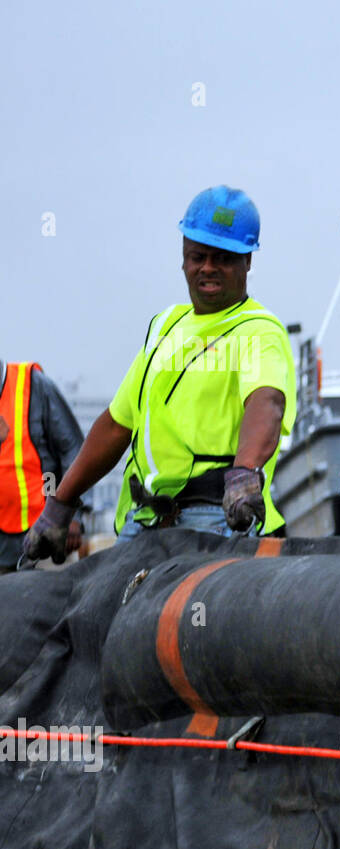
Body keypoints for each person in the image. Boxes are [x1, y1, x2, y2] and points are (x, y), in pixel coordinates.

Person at [23, 185, 296, 562]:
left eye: (224, 258)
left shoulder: (258, 331)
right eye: (198, 256)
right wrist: (60, 505)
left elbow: (265, 403)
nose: (208, 268)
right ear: (183, 256)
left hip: (216, 518)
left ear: (247, 261)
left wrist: (245, 475)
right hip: (145, 521)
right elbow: (117, 425)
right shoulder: (165, 326)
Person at [0, 361, 84, 570]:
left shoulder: (32, 385)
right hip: (3, 546)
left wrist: (73, 517)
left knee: (55, 598)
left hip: (44, 533)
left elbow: (72, 449)